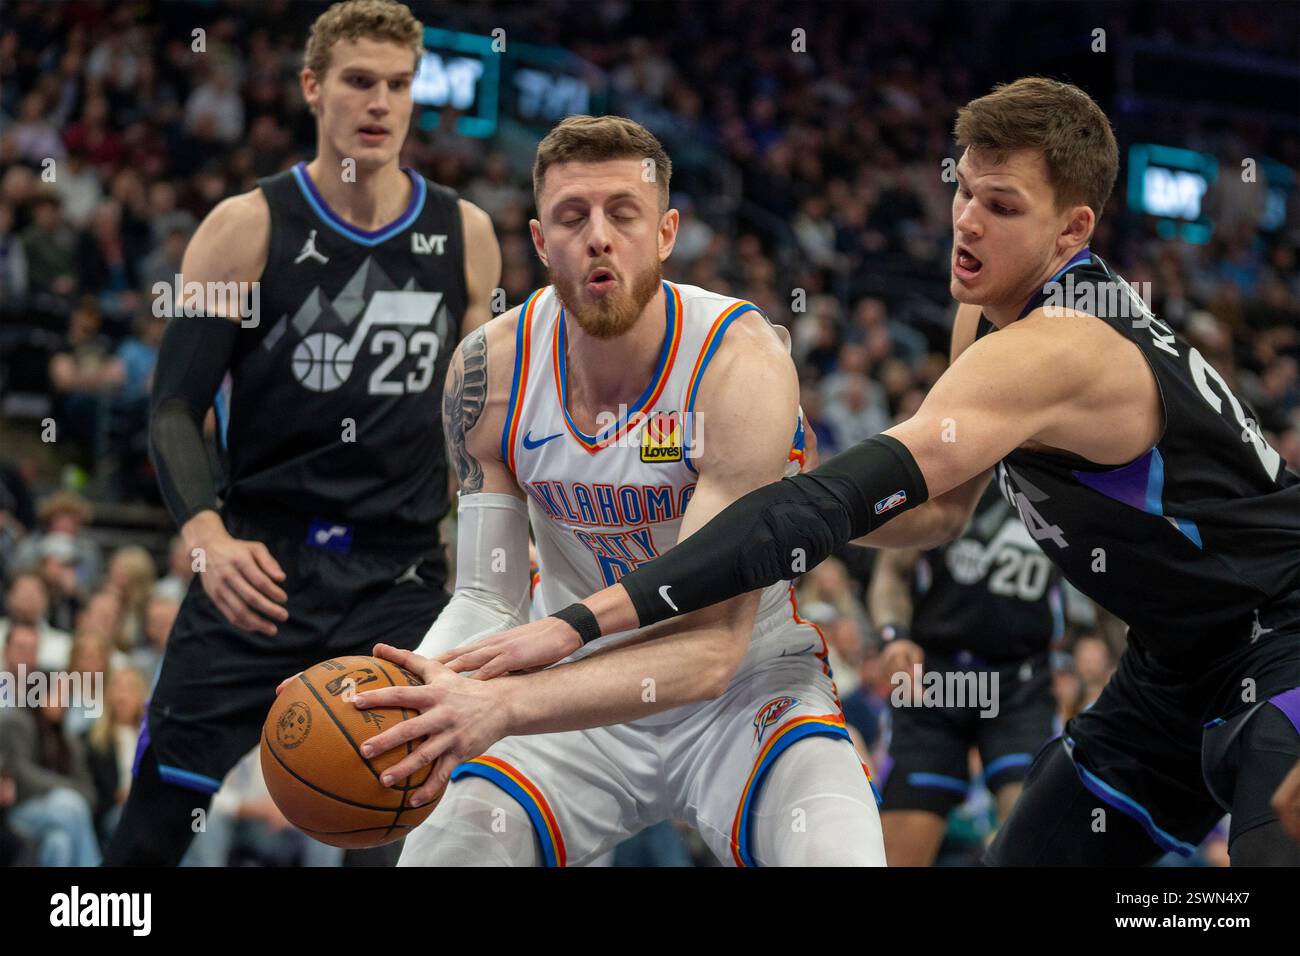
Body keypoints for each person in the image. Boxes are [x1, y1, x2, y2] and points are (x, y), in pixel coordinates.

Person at [444, 78, 1300, 867]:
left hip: (1283, 632)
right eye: (963, 189)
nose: (966, 220)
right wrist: (784, 468)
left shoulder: (1060, 346)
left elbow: (842, 500)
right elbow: (935, 513)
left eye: (1001, 206)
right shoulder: (983, 314)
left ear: (1073, 230)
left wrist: (572, 628)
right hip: (1175, 664)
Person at [336, 113, 884, 867]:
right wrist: (415, 694)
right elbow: (489, 596)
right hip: (571, 701)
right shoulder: (487, 371)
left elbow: (707, 649)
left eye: (622, 213)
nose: (598, 236)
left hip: (741, 691)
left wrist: (499, 703)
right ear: (537, 241)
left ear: (666, 233)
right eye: (572, 216)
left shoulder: (741, 362)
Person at [103, 0, 500, 866]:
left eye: (399, 84)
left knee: (386, 827)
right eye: (360, 81)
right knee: (154, 825)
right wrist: (206, 535)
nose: (381, 103)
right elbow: (174, 404)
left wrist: (508, 543)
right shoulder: (243, 229)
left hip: (399, 576)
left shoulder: (466, 238)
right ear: (314, 88)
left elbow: (484, 426)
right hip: (260, 564)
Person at [868, 483, 1063, 865]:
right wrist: (893, 636)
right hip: (935, 679)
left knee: (1034, 838)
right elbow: (891, 571)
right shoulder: (951, 472)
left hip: (1019, 680)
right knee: (898, 853)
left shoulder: (1061, 484)